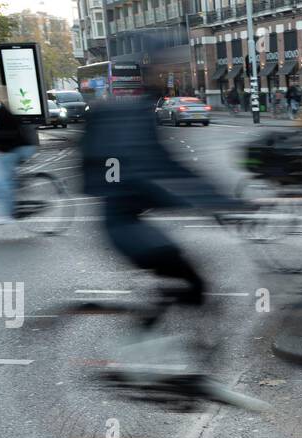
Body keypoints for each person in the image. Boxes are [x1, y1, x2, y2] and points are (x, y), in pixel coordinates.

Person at [79, 51, 239, 394]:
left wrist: (222, 201)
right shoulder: (134, 118)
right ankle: (146, 362)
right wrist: (212, 203)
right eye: (168, 71)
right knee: (189, 281)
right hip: (122, 226)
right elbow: (148, 176)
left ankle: (170, 361)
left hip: (128, 222)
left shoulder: (142, 114)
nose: (172, 77)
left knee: (184, 284)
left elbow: (174, 169)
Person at [0, 101, 37, 225]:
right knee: (5, 172)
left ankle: (7, 213)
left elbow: (4, 135)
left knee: (1, 181)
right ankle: (14, 198)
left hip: (18, 149)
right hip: (23, 147)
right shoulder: (8, 112)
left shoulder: (2, 114)